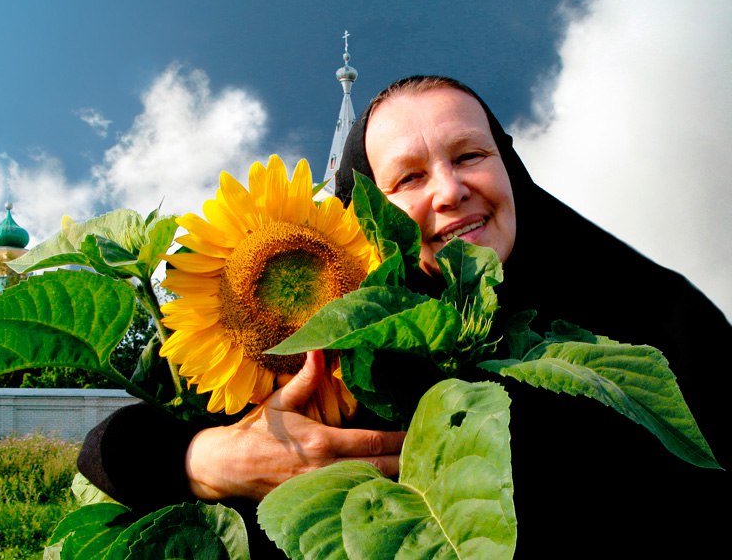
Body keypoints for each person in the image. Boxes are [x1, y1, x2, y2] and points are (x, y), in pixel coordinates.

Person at [79, 76, 731, 558]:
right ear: (365, 214)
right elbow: (110, 451)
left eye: (470, 155)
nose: (449, 190)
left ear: (511, 169)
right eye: (409, 179)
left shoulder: (651, 315)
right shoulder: (341, 356)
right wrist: (207, 458)